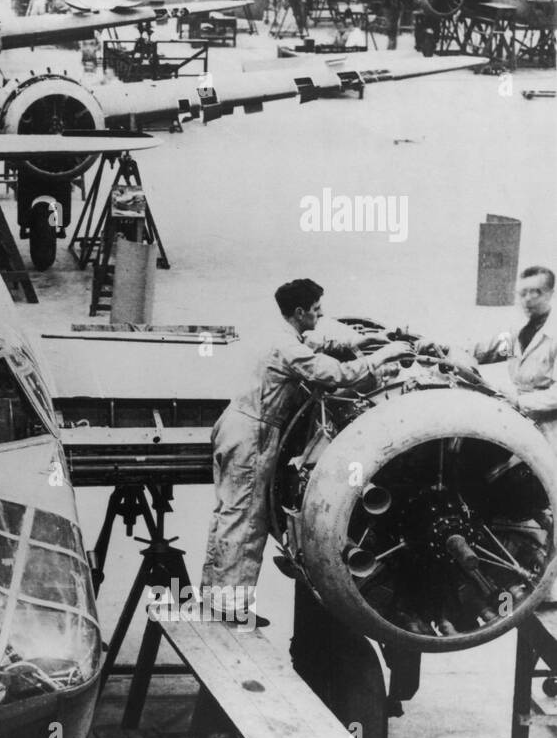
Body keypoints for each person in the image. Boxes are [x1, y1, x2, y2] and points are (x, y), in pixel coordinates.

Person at [201, 279, 407, 622]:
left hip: (234, 425)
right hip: (255, 434)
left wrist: (361, 340)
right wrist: (385, 356)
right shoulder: (289, 349)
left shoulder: (280, 333)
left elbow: (318, 340)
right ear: (299, 312)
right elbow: (339, 374)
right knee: (247, 521)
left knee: (228, 513)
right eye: (316, 309)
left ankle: (215, 596)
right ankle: (229, 609)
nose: (321, 313)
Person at [429, 265, 557, 451]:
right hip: (523, 416)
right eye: (522, 293)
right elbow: (483, 350)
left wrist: (520, 402)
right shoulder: (520, 331)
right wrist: (442, 348)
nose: (527, 300)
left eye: (535, 292)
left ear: (550, 294)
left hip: (550, 425)